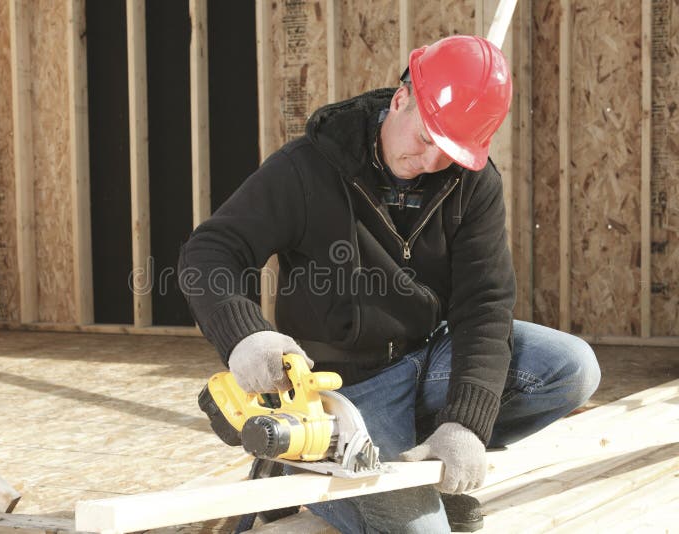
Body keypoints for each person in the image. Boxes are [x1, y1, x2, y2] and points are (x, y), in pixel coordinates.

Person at [179, 35, 600, 533]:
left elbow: (484, 306)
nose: (427, 161)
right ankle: (304, 460)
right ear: (400, 99)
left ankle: (406, 457)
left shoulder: (473, 183)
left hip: (425, 362)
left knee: (571, 367)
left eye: (446, 152)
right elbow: (211, 252)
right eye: (424, 139)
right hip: (343, 391)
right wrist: (246, 335)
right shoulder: (308, 168)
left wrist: (465, 423)